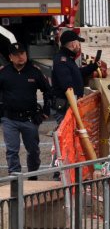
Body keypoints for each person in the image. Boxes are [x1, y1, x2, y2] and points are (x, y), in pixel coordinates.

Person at [0, 43, 53, 177]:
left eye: (23, 53)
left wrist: (46, 111)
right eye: (17, 55)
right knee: (12, 151)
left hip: (30, 119)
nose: (21, 57)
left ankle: (32, 176)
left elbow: (48, 91)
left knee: (33, 151)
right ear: (10, 57)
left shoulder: (34, 72)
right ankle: (15, 179)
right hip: (9, 119)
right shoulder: (4, 73)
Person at [51, 29, 98, 125]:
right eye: (78, 43)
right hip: (66, 108)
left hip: (70, 106)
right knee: (67, 137)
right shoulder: (62, 60)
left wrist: (93, 66)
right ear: (73, 44)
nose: (79, 46)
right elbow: (67, 85)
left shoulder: (68, 58)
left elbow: (77, 73)